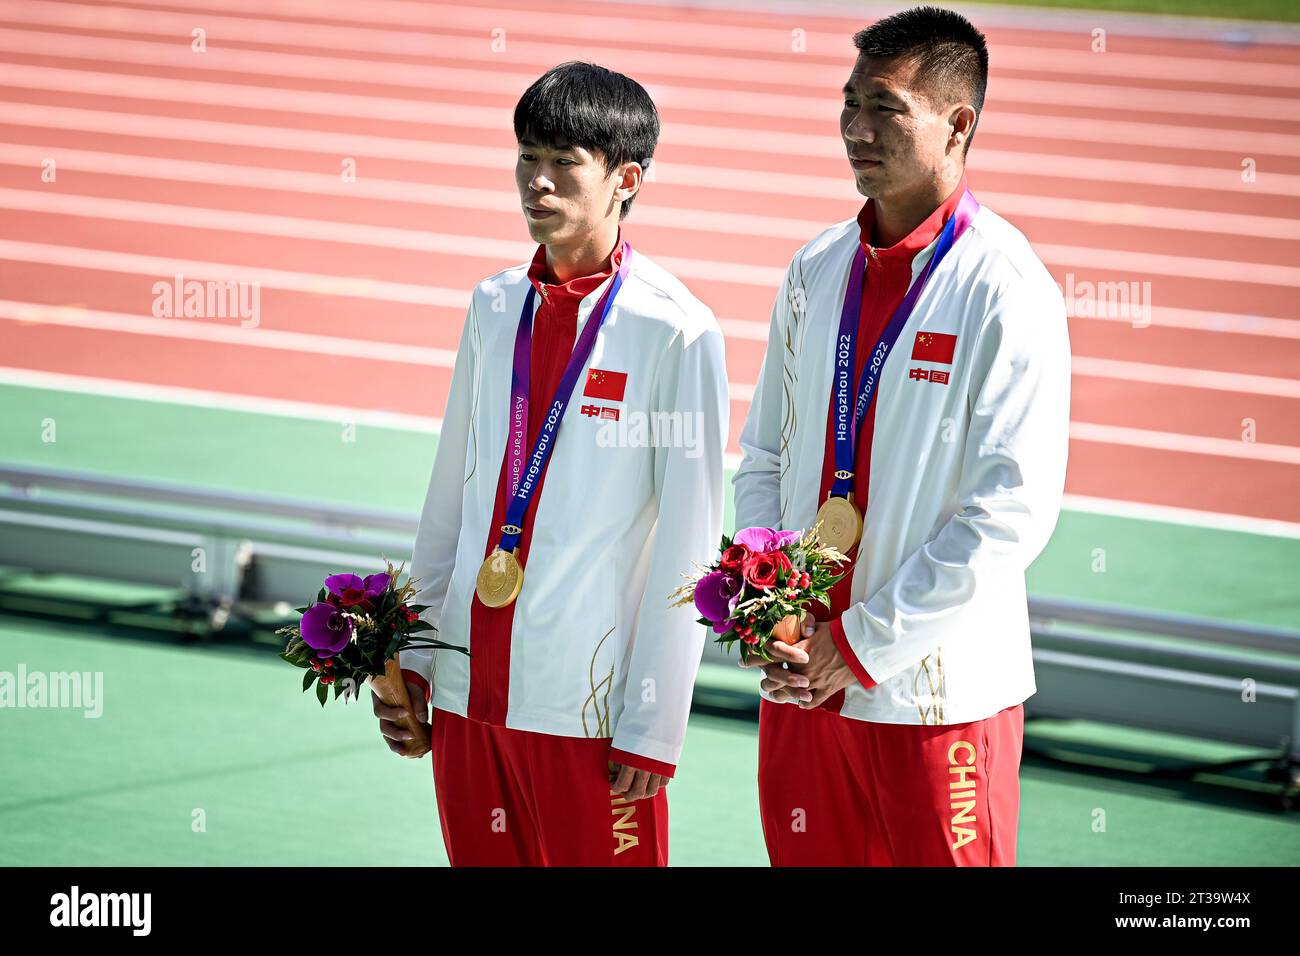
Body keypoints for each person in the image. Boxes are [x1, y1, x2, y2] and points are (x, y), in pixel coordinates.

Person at [733, 5, 1071, 866]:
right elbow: (766, 454)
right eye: (850, 104)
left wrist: (859, 643)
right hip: (803, 683)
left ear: (959, 124)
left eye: (885, 108)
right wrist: (774, 598)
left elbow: (1010, 512)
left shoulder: (1004, 285)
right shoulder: (814, 267)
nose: (856, 129)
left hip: (937, 700)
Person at [373, 62, 729, 866]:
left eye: (564, 161)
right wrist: (421, 658)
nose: (537, 181)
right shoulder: (492, 305)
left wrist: (651, 720)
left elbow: (691, 539)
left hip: (589, 709)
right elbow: (449, 502)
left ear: (625, 179)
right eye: (527, 156)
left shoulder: (675, 330)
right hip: (469, 692)